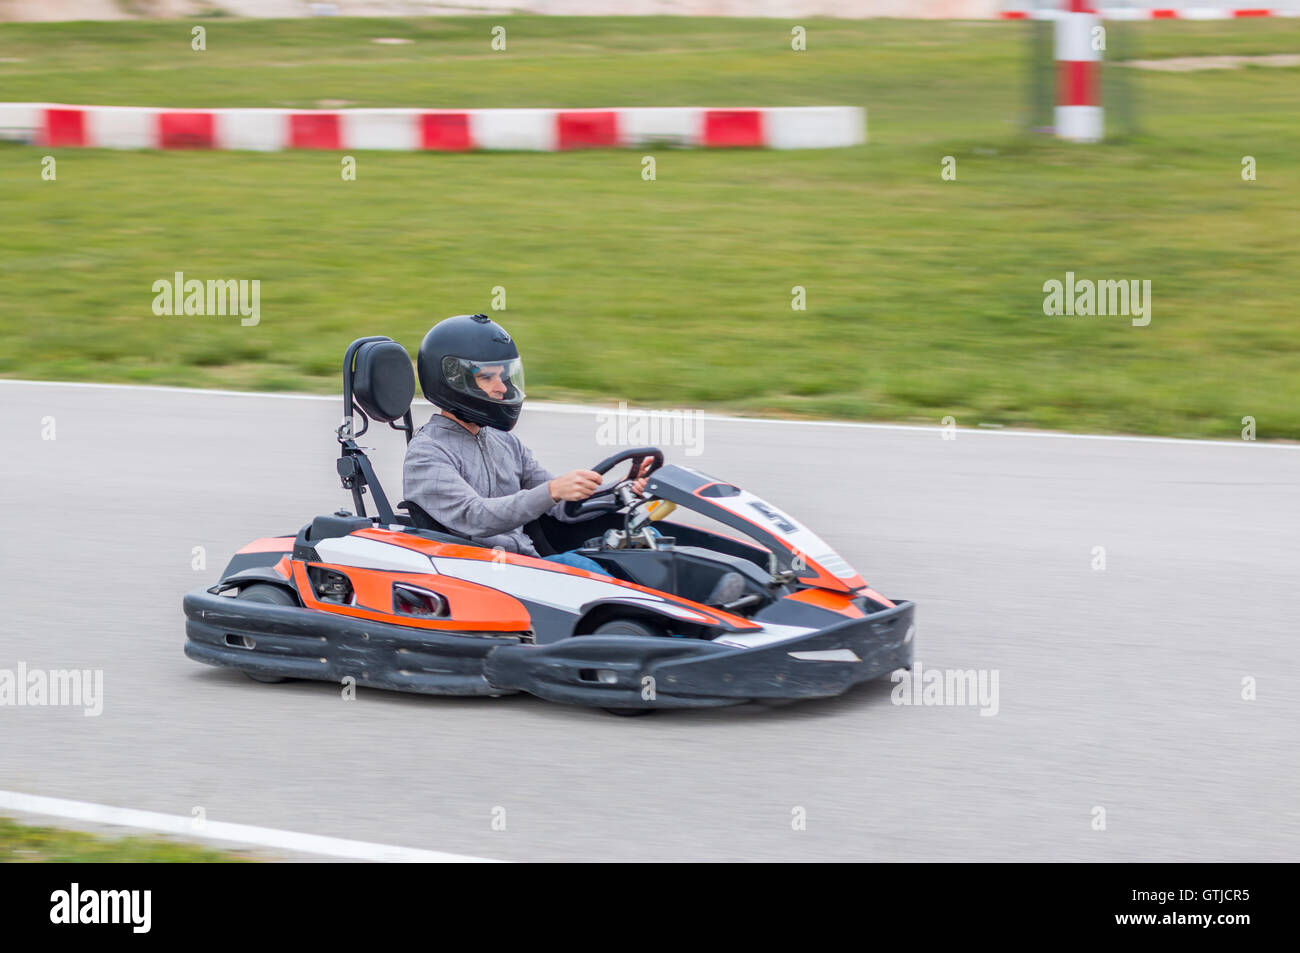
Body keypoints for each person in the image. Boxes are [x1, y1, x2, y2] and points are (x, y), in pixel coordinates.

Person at [402, 314, 643, 575]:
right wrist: (551, 490)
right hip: (484, 575)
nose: (502, 388)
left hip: (530, 563)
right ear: (455, 381)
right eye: (487, 378)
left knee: (638, 545)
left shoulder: (503, 439)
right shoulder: (427, 454)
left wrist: (621, 490)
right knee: (589, 571)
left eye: (502, 377)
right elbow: (476, 517)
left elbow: (562, 507)